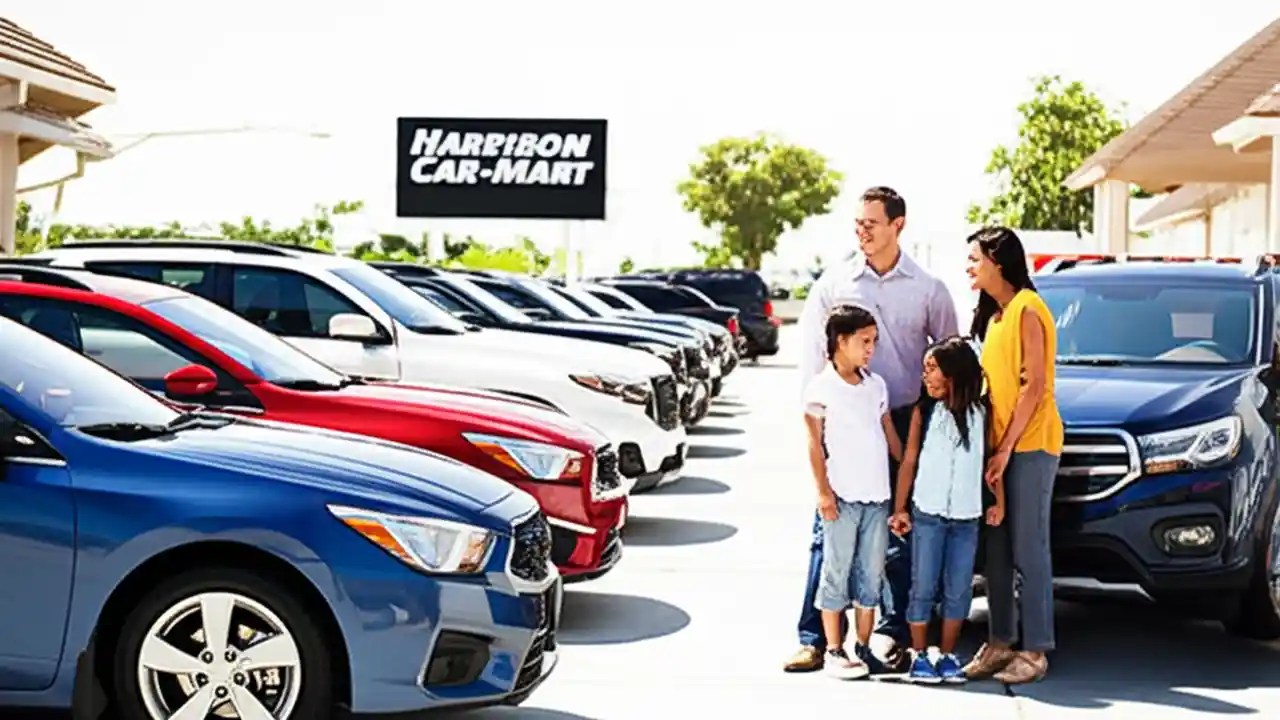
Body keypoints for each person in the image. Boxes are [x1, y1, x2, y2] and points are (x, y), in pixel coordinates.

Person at [787, 186, 959, 674]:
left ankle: (890, 634)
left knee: (897, 530)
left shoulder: (929, 289)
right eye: (857, 223)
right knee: (830, 529)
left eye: (871, 223)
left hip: (902, 420)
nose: (861, 231)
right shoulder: (834, 284)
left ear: (898, 225)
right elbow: (811, 361)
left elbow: (949, 359)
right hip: (841, 424)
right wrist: (814, 425)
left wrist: (933, 429)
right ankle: (814, 638)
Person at [958, 226, 1063, 685]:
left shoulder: (1028, 309)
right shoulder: (996, 316)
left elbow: (1033, 386)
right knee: (996, 549)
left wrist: (1005, 450)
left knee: (1029, 548)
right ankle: (1001, 643)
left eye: (974, 258)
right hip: (998, 448)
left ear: (998, 261)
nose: (969, 266)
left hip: (1031, 445)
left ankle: (1035, 651)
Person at [890, 336, 1001, 684]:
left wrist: (999, 502)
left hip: (966, 518)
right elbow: (909, 462)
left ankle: (948, 655)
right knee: (923, 585)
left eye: (932, 369)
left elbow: (991, 465)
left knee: (959, 589)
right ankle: (920, 656)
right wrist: (900, 508)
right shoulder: (923, 412)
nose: (926, 376)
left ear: (953, 373)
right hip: (928, 513)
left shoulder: (982, 414)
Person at [803, 304, 902, 679]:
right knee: (836, 571)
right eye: (864, 341)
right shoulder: (820, 388)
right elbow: (814, 445)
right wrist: (823, 493)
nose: (870, 349)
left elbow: (888, 434)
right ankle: (833, 649)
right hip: (841, 498)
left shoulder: (876, 386)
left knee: (871, 574)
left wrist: (909, 464)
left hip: (877, 498)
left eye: (874, 341)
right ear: (840, 341)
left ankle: (863, 648)